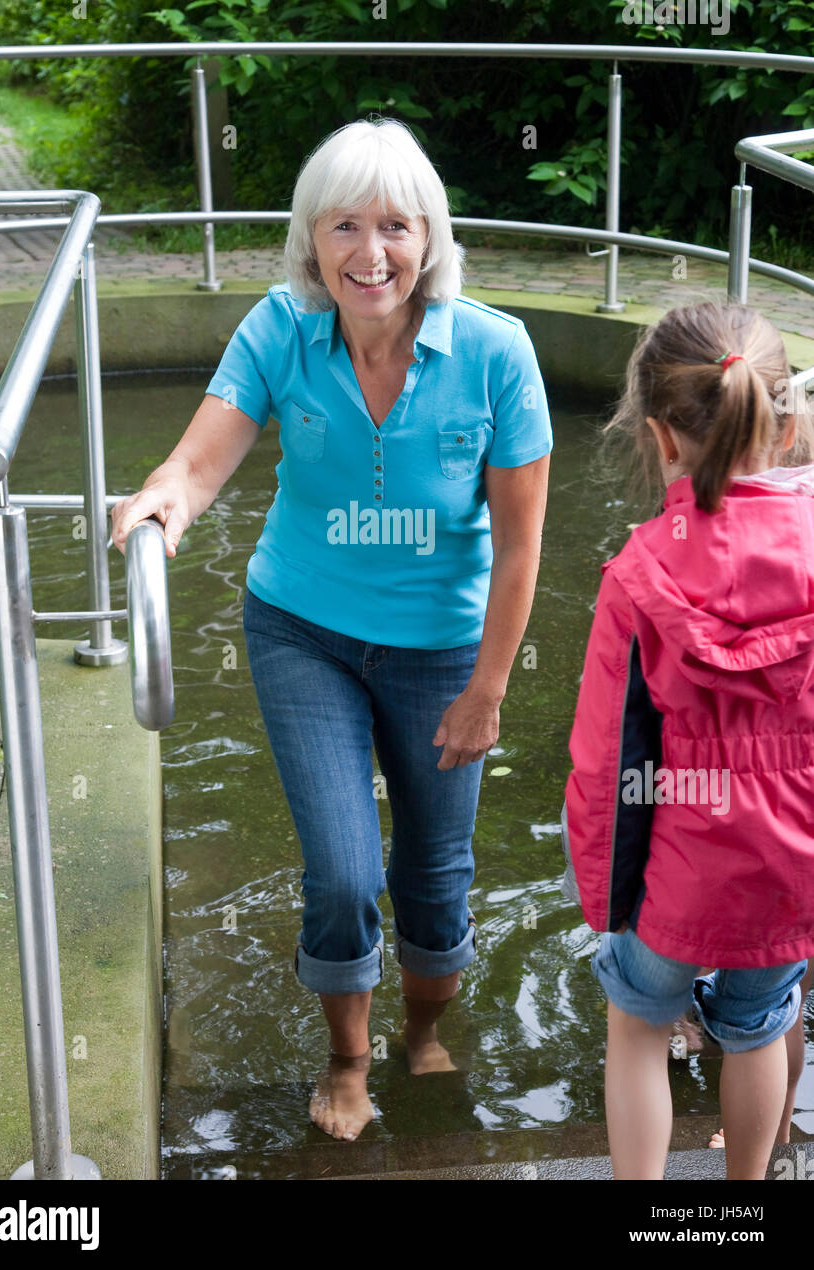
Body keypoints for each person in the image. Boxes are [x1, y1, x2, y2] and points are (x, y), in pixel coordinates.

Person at [111, 117, 552, 1142]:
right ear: (310, 239)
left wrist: (487, 690)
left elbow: (524, 548)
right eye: (343, 225)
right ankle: (348, 1060)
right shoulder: (278, 328)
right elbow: (200, 459)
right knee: (345, 869)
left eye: (394, 225)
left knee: (434, 876)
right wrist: (161, 501)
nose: (370, 253)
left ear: (429, 236)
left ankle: (422, 1031)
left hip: (442, 649)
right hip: (299, 629)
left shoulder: (493, 351)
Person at [562, 300, 814, 1180]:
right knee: (762, 1025)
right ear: (784, 426)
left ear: (663, 438)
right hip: (794, 861)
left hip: (680, 860)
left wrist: (604, 893)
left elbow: (603, 758)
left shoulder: (639, 572)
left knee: (637, 1024)